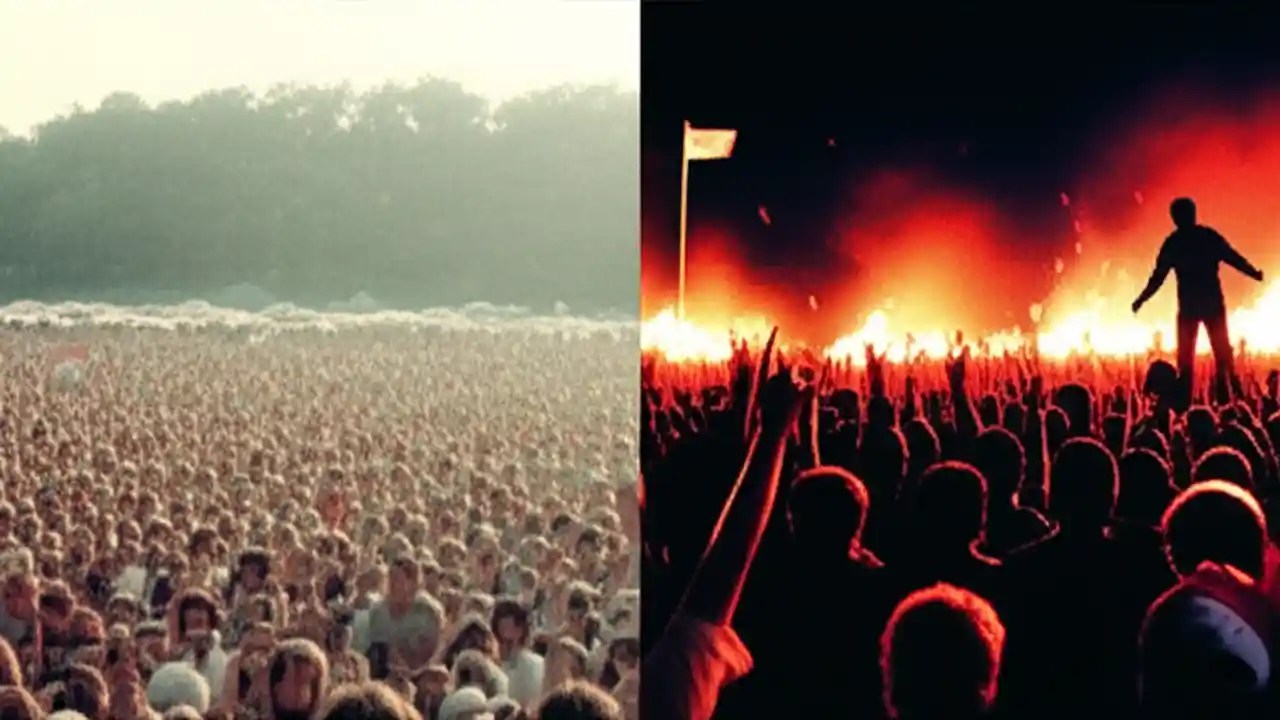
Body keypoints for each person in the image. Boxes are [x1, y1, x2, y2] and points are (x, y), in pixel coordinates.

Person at [1131, 197, 1265, 406]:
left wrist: (1142, 299)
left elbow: (1158, 277)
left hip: (1193, 309)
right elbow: (1233, 257)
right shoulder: (1204, 237)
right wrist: (1253, 273)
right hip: (1206, 306)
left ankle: (1203, 403)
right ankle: (1228, 402)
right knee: (1217, 357)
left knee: (1196, 360)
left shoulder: (1175, 243)